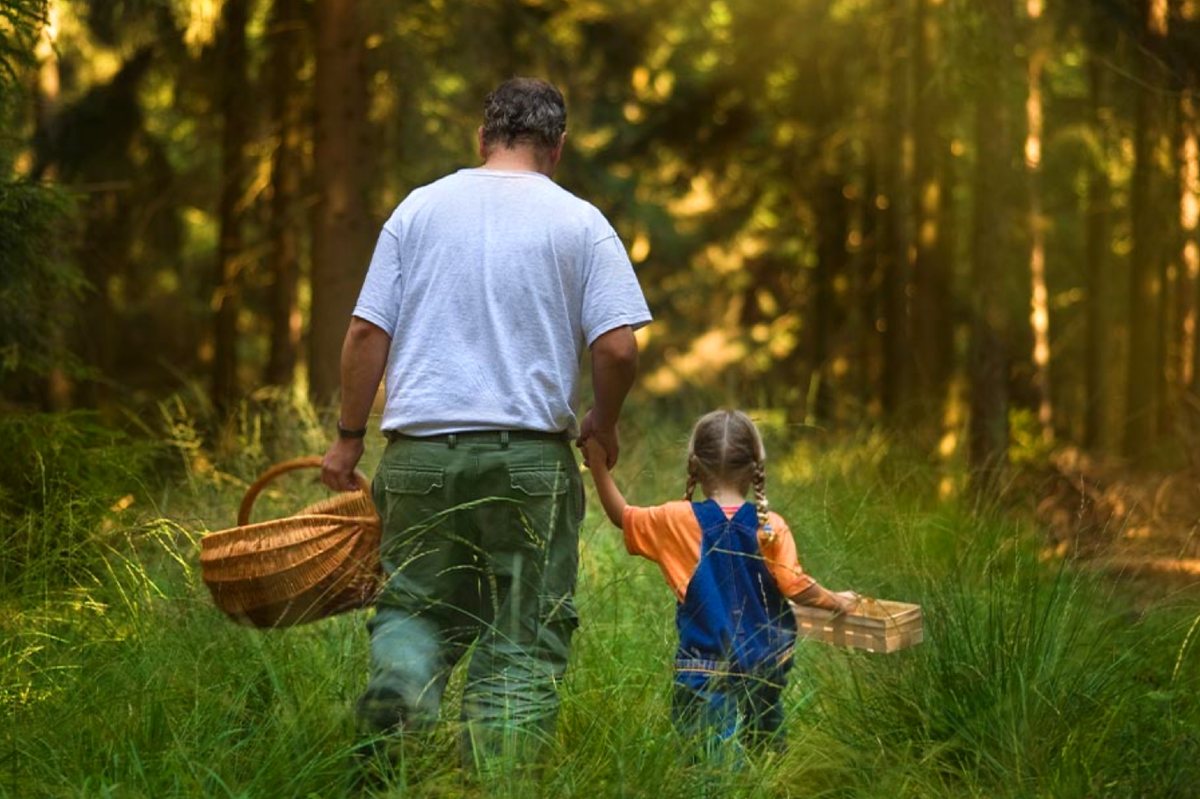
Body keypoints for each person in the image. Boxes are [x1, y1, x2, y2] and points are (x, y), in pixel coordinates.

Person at [320, 77, 652, 772]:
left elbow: (362, 333)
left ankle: (404, 686)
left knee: (412, 605)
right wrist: (603, 419)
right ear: (556, 149)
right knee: (523, 630)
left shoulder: (417, 210)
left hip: (417, 456)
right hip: (529, 461)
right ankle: (491, 780)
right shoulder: (580, 222)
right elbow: (618, 347)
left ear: (482, 138)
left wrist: (351, 435)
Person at [583, 409, 857, 760]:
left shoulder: (678, 520)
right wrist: (838, 601)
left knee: (713, 769)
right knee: (767, 757)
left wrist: (599, 464)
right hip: (766, 665)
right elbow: (795, 585)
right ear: (755, 466)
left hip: (704, 670)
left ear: (695, 466)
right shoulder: (770, 525)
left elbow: (623, 516)